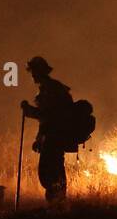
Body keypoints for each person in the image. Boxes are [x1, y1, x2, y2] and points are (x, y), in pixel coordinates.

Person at [19, 56, 75, 205]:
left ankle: (57, 202)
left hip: (55, 136)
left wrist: (29, 110)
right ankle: (57, 202)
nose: (32, 76)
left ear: (39, 72)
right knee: (53, 169)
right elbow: (45, 119)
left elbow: (48, 116)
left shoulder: (51, 89)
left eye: (33, 72)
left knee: (49, 171)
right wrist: (39, 138)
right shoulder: (51, 87)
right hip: (54, 135)